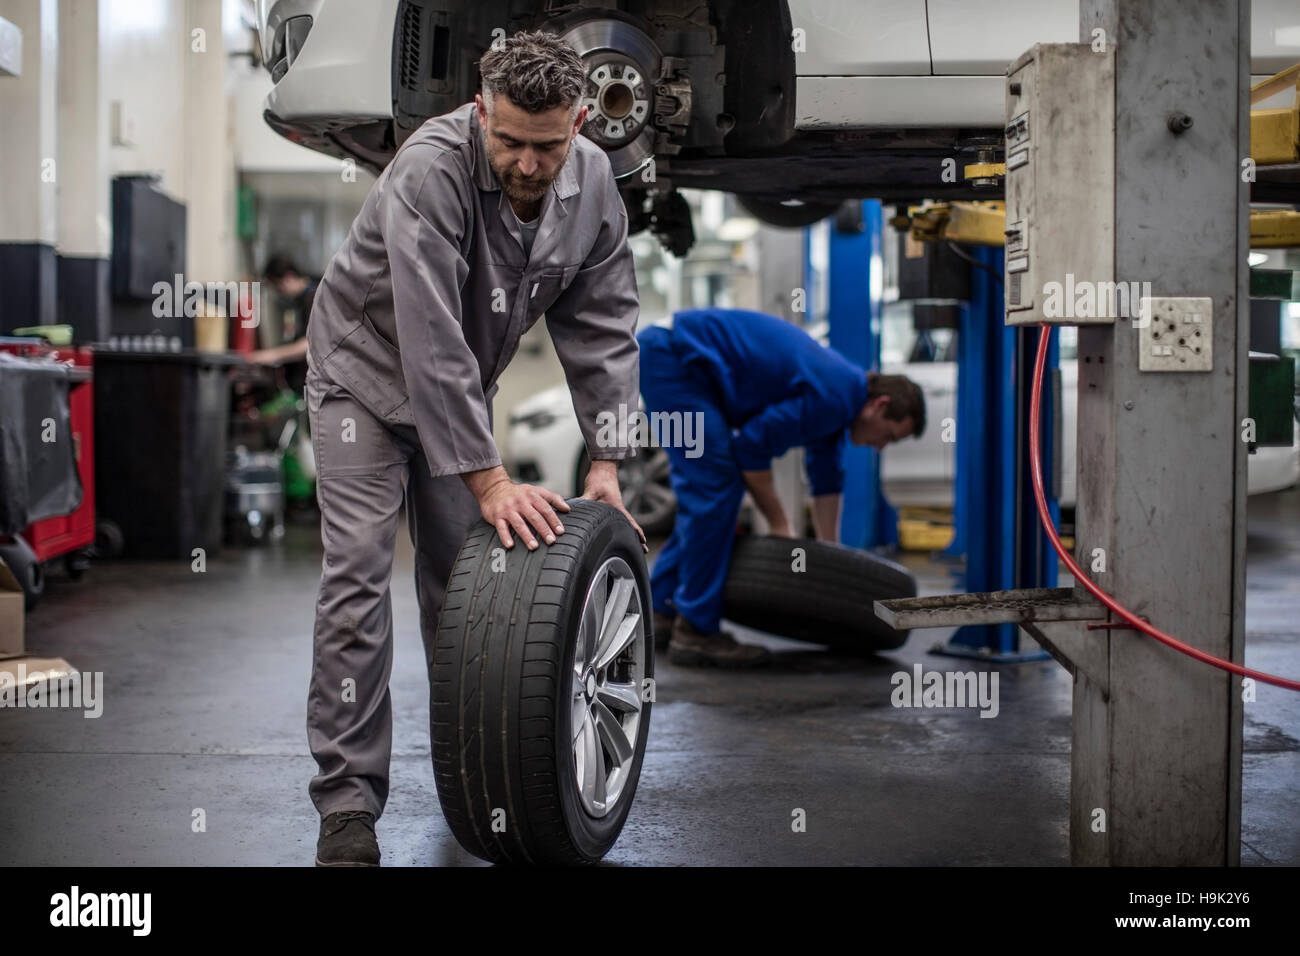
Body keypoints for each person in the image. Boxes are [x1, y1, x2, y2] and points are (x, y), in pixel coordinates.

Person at [304, 31, 643, 866]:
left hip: (455, 394)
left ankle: (477, 777)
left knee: (468, 591)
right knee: (357, 575)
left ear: (581, 122)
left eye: (549, 145)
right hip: (363, 379)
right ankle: (347, 804)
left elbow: (604, 329)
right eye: (511, 143)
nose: (529, 165)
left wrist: (607, 459)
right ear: (480, 111)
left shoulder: (594, 181)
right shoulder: (429, 168)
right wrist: (490, 479)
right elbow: (430, 338)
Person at [638, 308, 926, 668]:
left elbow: (827, 481)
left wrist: (830, 555)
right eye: (890, 435)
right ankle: (695, 631)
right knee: (713, 488)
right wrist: (780, 524)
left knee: (712, 491)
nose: (881, 446)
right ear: (880, 406)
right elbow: (751, 448)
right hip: (675, 361)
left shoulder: (844, 399)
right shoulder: (835, 395)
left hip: (677, 357)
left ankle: (660, 610)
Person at [248, 254, 317, 393]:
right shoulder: (300, 301)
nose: (280, 295)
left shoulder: (315, 297)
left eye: (279, 289)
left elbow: (310, 345)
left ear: (289, 277)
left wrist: (269, 355)